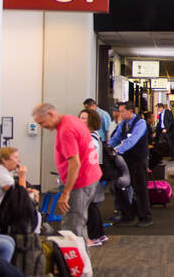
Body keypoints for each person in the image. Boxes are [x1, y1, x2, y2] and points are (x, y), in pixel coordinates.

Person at [34, 101, 107, 236]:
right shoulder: (71, 120)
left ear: (50, 114)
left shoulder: (66, 130)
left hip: (80, 182)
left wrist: (66, 192)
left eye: (41, 122)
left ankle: (75, 256)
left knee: (72, 228)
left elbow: (75, 163)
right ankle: (82, 255)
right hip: (89, 178)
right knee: (79, 224)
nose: (42, 126)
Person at [107, 101, 153, 228]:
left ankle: (146, 217)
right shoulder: (123, 124)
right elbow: (116, 138)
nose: (119, 114)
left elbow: (132, 140)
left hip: (139, 160)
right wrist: (108, 148)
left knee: (140, 189)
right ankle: (127, 215)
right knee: (120, 187)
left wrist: (117, 150)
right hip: (125, 160)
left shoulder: (140, 123)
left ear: (130, 111)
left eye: (122, 111)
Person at [76, 110, 110, 246]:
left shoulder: (91, 138)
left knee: (88, 206)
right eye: (80, 117)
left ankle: (93, 236)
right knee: (92, 206)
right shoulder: (93, 136)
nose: (81, 120)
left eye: (84, 118)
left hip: (88, 175)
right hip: (92, 174)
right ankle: (99, 234)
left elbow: (87, 158)